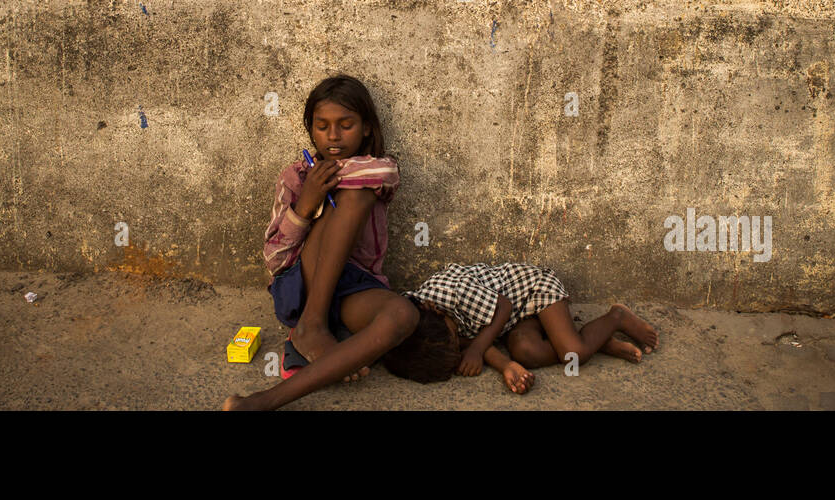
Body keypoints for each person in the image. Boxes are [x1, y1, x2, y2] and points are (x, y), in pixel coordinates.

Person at [224, 74, 419, 410]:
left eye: (346, 125)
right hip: (299, 285)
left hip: (351, 287)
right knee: (353, 198)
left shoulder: (379, 168)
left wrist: (330, 177)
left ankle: (263, 400)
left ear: (367, 128)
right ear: (310, 128)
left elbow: (383, 175)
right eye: (322, 126)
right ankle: (312, 324)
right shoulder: (297, 176)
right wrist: (307, 202)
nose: (333, 136)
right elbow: (274, 258)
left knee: (403, 314)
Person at [398, 262, 659, 394]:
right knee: (525, 353)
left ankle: (616, 318)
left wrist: (477, 348)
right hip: (514, 322)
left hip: (531, 291)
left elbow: (504, 307)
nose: (460, 343)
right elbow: (466, 347)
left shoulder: (455, 294)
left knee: (574, 355)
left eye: (456, 338)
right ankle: (597, 340)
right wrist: (506, 366)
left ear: (440, 313)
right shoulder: (423, 323)